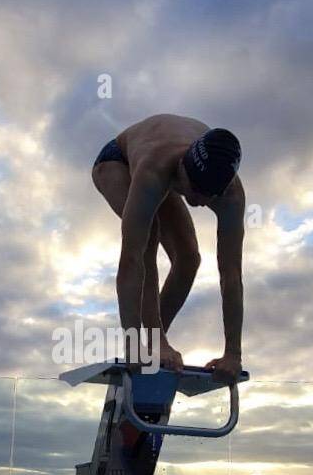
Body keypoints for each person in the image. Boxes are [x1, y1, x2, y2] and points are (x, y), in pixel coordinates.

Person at [92, 113, 245, 382]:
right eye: (192, 189)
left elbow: (232, 276)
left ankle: (154, 341)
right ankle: (154, 341)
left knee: (189, 258)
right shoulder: (157, 166)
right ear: (183, 166)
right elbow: (132, 259)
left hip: (164, 159)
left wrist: (233, 354)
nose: (196, 201)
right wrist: (134, 343)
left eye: (207, 195)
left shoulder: (231, 195)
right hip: (117, 160)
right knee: (147, 237)